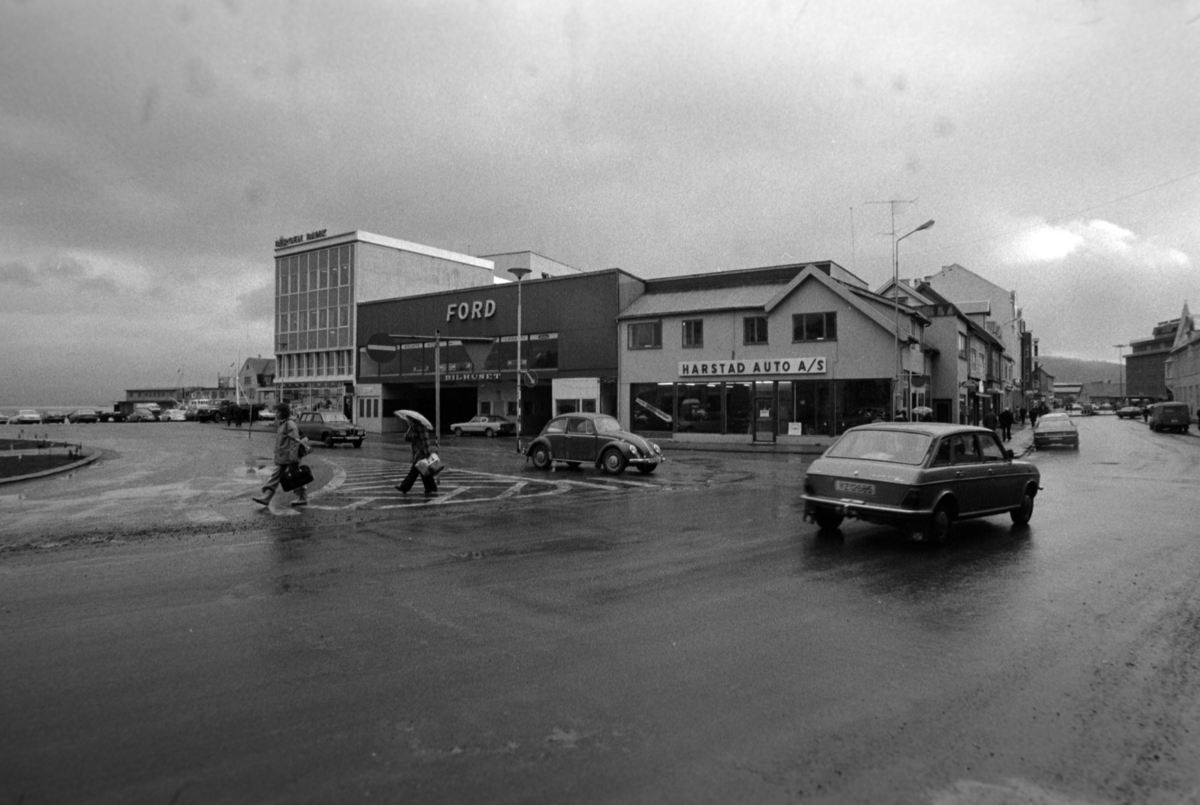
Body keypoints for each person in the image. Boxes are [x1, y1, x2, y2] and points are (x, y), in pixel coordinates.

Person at [253, 403, 308, 507]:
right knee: (291, 476)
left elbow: (295, 441)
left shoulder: (289, 424)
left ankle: (267, 497)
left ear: (284, 413)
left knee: (291, 476)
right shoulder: (282, 423)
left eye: (278, 412)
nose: (276, 414)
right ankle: (268, 498)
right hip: (284, 457)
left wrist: (293, 457)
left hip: (290, 457)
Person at [395, 415, 439, 497]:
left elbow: (425, 440)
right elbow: (408, 438)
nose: (407, 421)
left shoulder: (421, 427)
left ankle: (404, 486)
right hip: (416, 451)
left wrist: (427, 454)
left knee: (414, 470)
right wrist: (407, 433)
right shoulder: (412, 427)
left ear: (412, 419)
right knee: (424, 471)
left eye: (408, 419)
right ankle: (431, 488)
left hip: (421, 452)